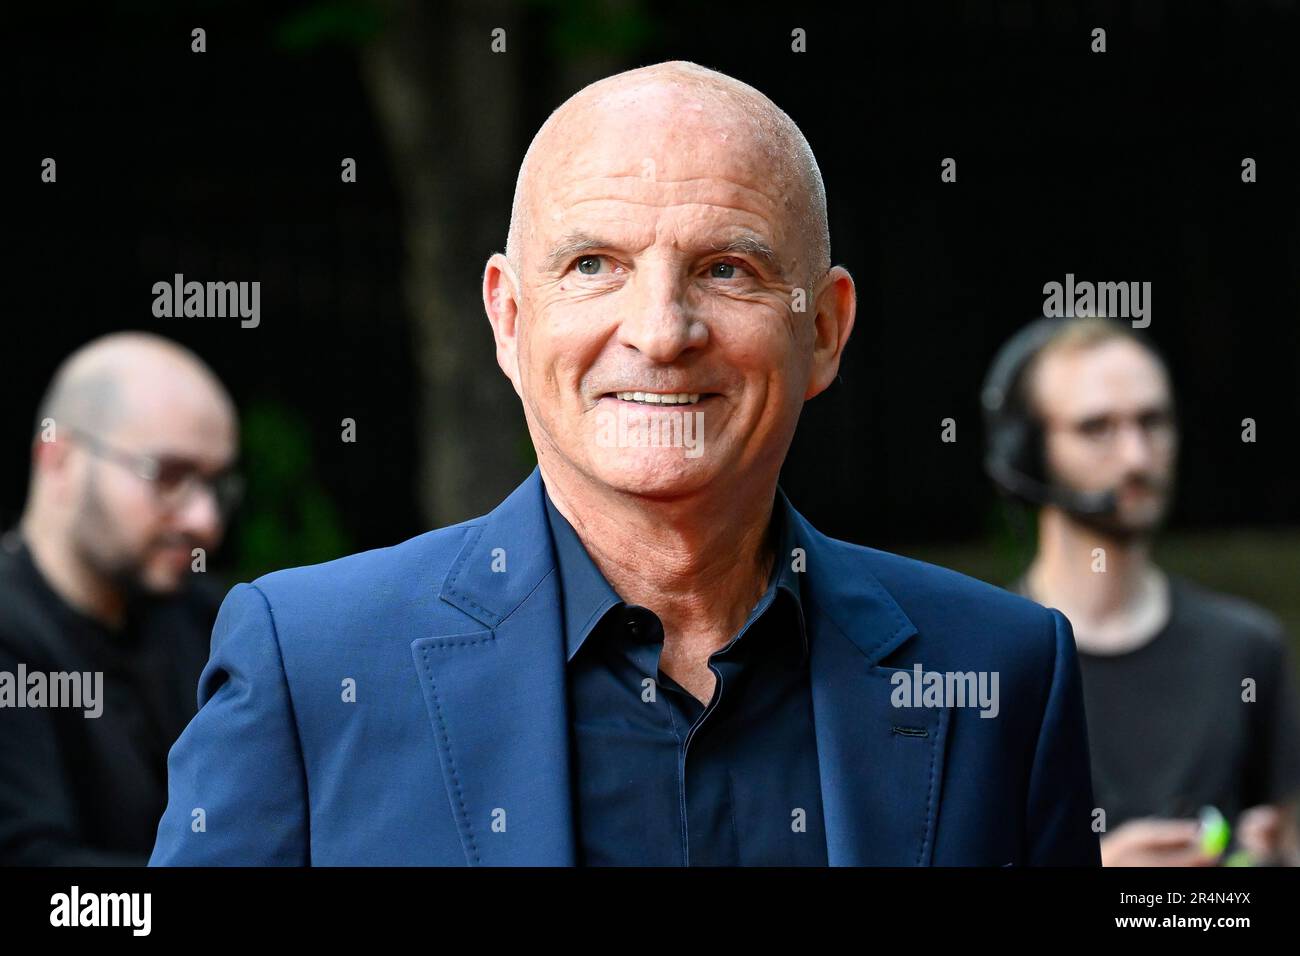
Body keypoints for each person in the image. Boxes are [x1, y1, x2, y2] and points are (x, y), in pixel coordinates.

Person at [151, 60, 1099, 866]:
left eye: (727, 268)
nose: (660, 332)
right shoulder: (309, 663)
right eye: (595, 265)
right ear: (509, 319)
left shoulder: (1003, 670)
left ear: (825, 330)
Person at [982, 315, 1300, 866]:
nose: (1136, 457)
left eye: (1151, 422)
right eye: (1096, 428)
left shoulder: (1246, 649)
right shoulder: (982, 660)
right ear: (1026, 453)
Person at [0, 332, 241, 864]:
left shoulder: (208, 621)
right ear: (58, 456)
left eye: (216, 485)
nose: (204, 520)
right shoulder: (12, 631)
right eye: (168, 475)